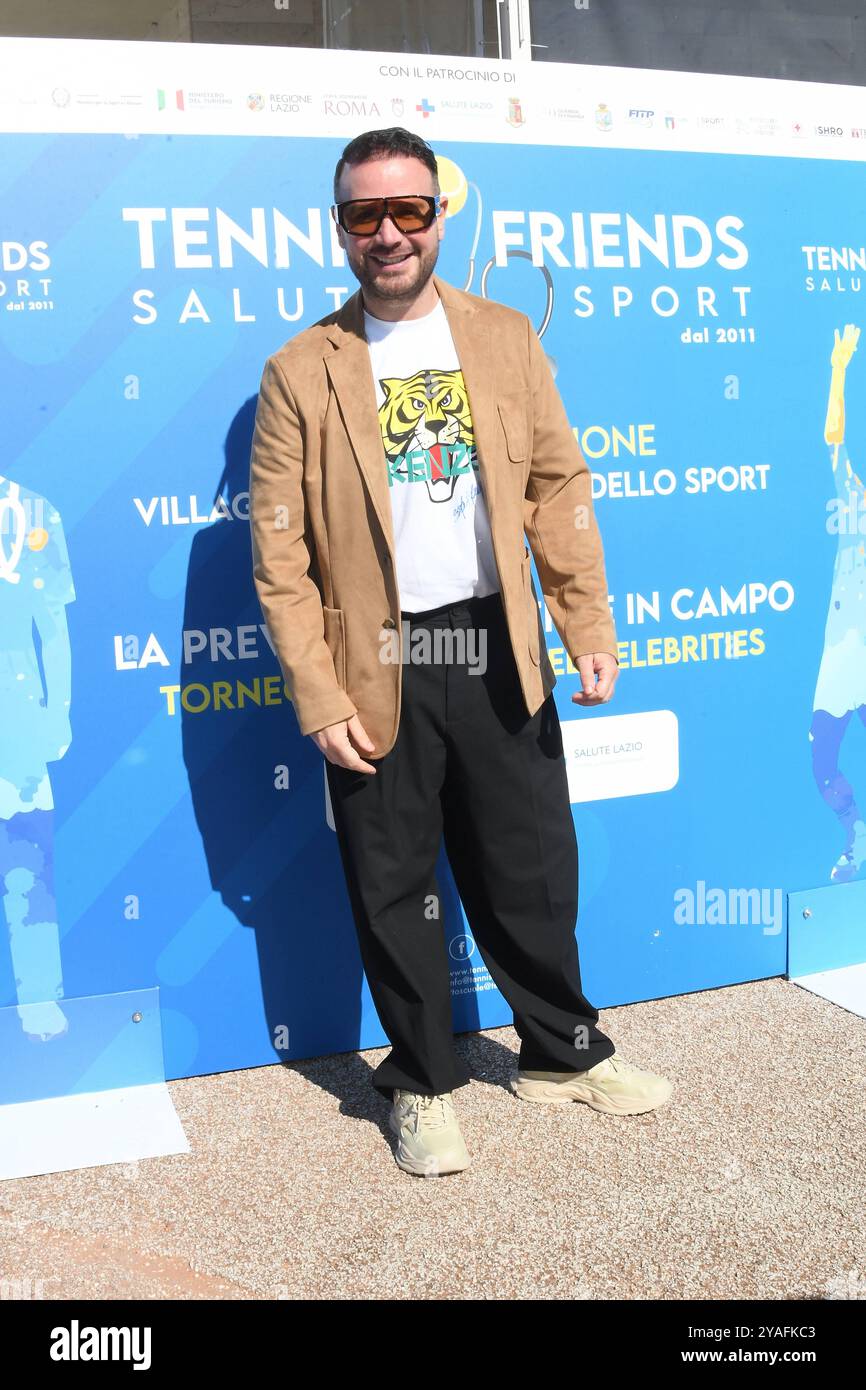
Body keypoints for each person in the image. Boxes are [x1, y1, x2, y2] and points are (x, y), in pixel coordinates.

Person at [249, 127, 672, 1177]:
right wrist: (314, 690)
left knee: (529, 865)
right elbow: (279, 554)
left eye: (408, 211)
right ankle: (425, 1082)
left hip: (496, 642)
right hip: (375, 659)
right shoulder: (302, 370)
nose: (388, 233)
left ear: (442, 216)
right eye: (364, 215)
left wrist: (585, 622)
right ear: (339, 226)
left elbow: (556, 484)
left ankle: (561, 1052)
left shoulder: (503, 336)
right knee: (391, 880)